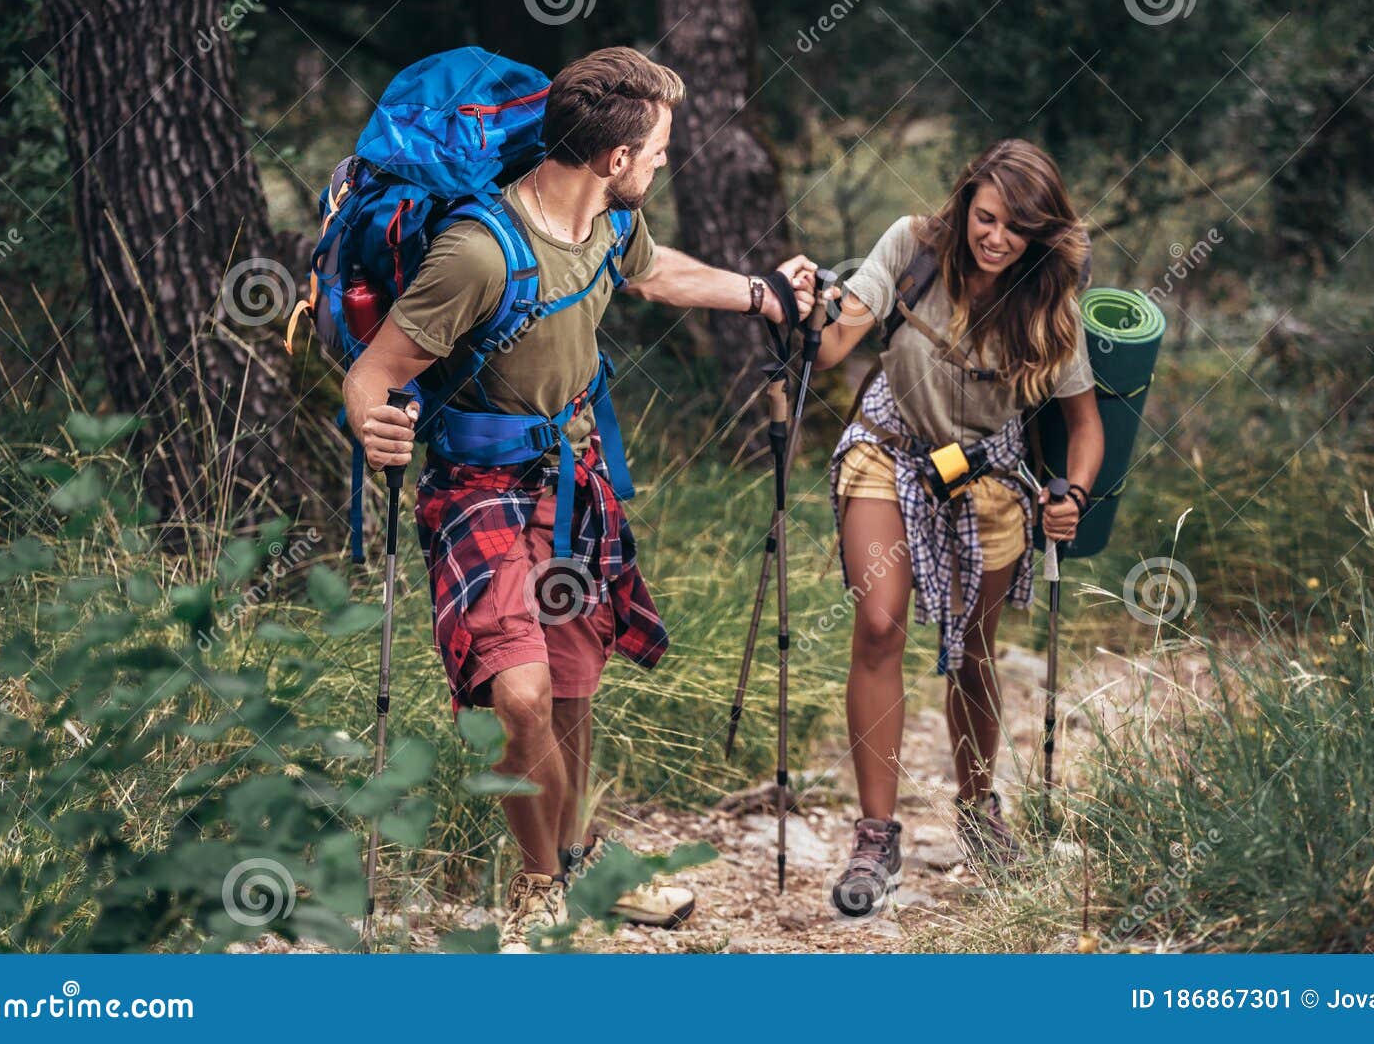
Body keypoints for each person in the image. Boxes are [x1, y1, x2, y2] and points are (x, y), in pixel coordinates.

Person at [344, 47, 815, 952]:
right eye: (659, 147)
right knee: (519, 695)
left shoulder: (604, 220)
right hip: (478, 487)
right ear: (613, 156)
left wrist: (764, 297)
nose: (665, 159)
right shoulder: (479, 251)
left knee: (568, 689)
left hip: (571, 480)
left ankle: (576, 858)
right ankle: (535, 887)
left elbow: (654, 271)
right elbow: (374, 375)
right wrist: (374, 427)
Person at [811, 139, 1104, 917]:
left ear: (1041, 234)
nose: (996, 238)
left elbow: (1085, 425)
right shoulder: (912, 247)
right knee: (879, 624)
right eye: (987, 217)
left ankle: (979, 812)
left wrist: (1072, 492)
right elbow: (838, 337)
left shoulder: (1050, 303)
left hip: (988, 478)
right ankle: (876, 836)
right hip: (888, 447)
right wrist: (810, 312)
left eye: (1017, 228)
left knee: (971, 652)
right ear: (966, 199)